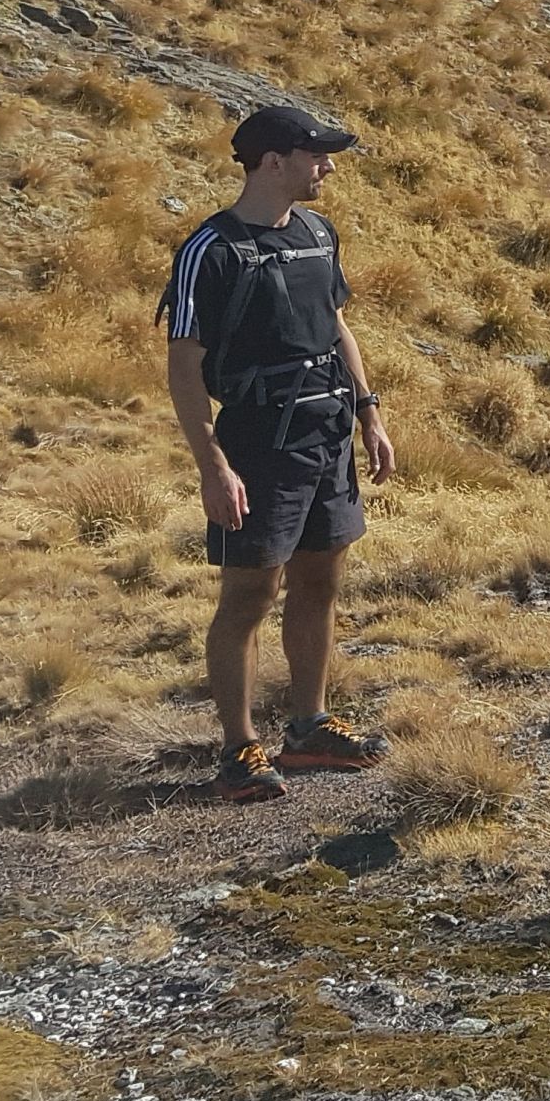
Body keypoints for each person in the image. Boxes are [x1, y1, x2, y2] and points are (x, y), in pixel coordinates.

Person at [161, 102, 394, 802]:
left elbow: (337, 326)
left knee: (320, 579)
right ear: (272, 162)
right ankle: (239, 750)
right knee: (250, 593)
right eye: (315, 155)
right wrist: (214, 465)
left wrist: (369, 414)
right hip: (257, 444)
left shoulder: (319, 234)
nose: (326, 167)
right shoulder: (213, 250)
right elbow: (184, 366)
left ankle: (309, 728)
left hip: (326, 435)